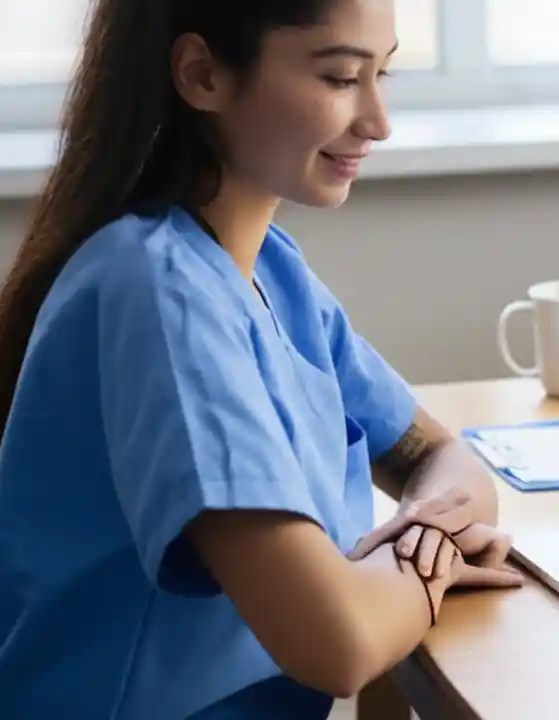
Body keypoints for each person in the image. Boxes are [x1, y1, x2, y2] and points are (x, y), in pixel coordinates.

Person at [0, 1, 523, 717]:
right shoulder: (160, 296)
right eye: (341, 78)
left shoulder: (269, 271)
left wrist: (425, 531)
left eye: (384, 74)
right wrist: (433, 567)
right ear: (202, 74)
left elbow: (442, 457)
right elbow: (336, 644)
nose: (378, 121)